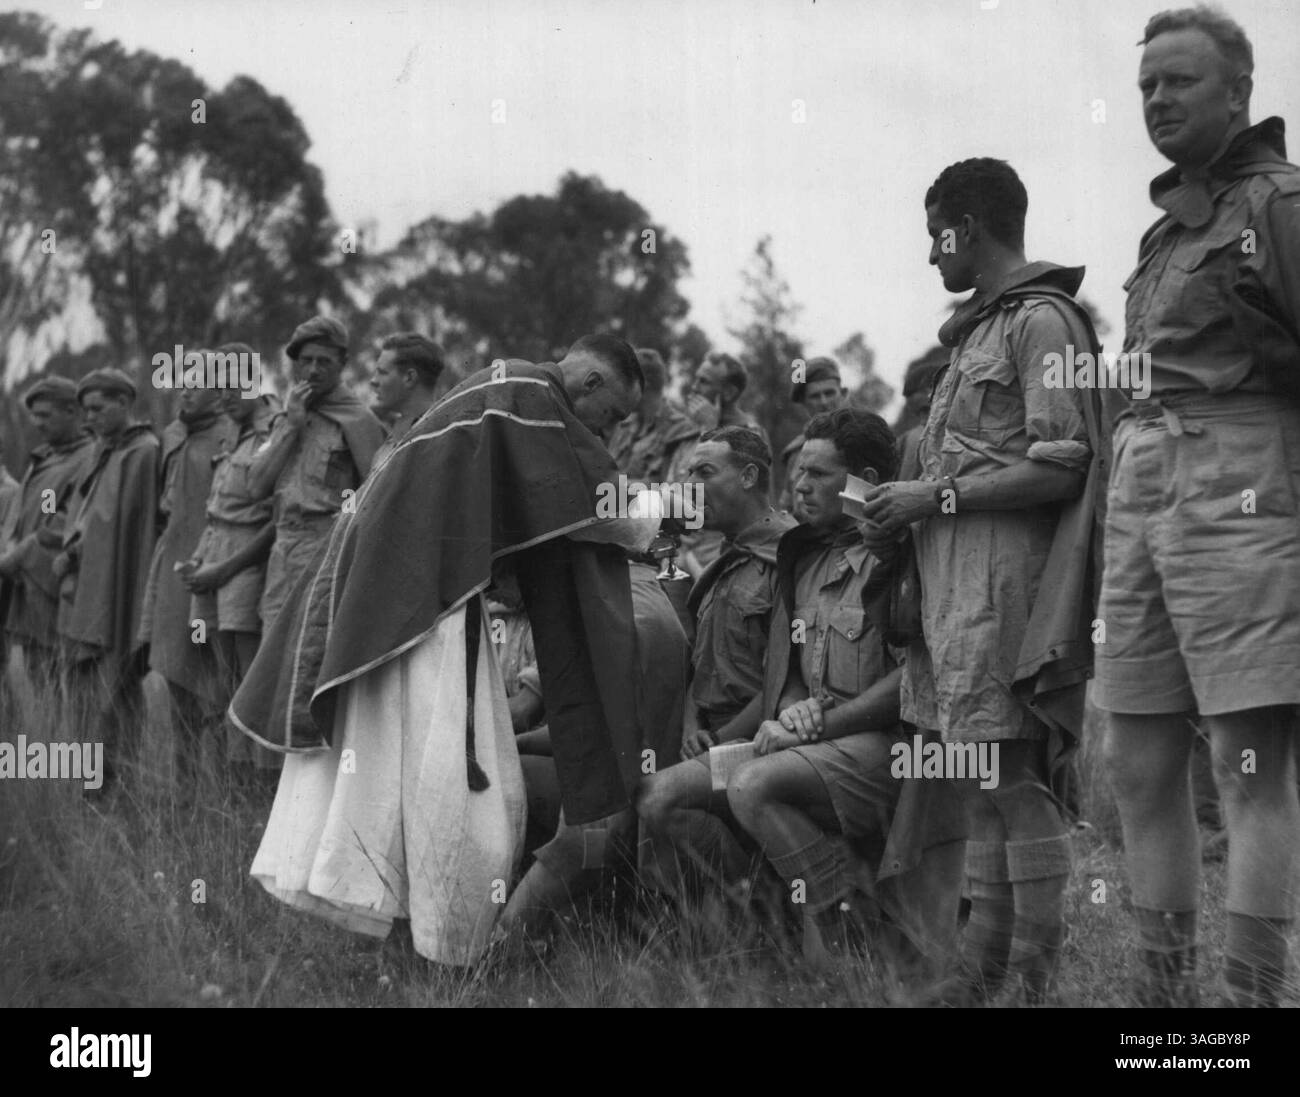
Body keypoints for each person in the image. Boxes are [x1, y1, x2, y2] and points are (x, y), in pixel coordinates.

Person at [233, 333, 652, 966]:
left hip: (406, 593)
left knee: (398, 776)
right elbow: (599, 504)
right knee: (458, 790)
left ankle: (411, 944)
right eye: (612, 415)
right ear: (589, 385)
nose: (607, 433)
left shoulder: (503, 386)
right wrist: (670, 511)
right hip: (419, 603)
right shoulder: (527, 396)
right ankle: (449, 950)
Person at [858, 158, 1107, 1004]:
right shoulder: (974, 333)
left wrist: (939, 493)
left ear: (969, 225)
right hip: (957, 591)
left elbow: (1064, 465)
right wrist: (907, 506)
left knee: (1016, 781)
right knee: (984, 780)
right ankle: (981, 973)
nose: (933, 256)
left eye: (938, 235)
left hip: (1009, 588)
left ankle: (1031, 978)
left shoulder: (1043, 322)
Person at [1097, 7, 1300, 1007]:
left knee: (1247, 760)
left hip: (1242, 477)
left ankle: (1249, 1007)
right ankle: (1159, 1007)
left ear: (1237, 93)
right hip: (1142, 480)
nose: (1157, 101)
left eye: (1177, 82)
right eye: (1144, 87)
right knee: (1136, 760)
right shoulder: (1163, 224)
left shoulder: (1283, 206)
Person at [637, 427, 794, 897]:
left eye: (705, 473)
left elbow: (782, 681)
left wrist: (718, 742)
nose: (690, 487)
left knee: (658, 798)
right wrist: (691, 726)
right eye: (687, 474)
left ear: (748, 476)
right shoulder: (728, 557)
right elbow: (700, 664)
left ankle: (760, 905)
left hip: (761, 741)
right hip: (710, 735)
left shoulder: (788, 555)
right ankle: (708, 929)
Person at [499, 554, 688, 938]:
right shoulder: (624, 590)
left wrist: (507, 934)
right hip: (632, 798)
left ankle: (501, 945)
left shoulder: (612, 617)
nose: (497, 592)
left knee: (508, 785)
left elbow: (593, 828)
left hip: (631, 817)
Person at [55, 368, 161, 786]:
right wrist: (71, 550)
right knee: (85, 694)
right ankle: (91, 780)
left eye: (98, 408)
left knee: (116, 693)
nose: (90, 417)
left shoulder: (143, 452)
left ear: (123, 403)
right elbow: (85, 518)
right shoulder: (105, 452)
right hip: (88, 591)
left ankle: (117, 783)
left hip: (119, 591)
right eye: (85, 410)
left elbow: (137, 531)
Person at [248, 316, 386, 627]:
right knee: (275, 646)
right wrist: (292, 426)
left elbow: (377, 496)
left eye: (324, 362)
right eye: (306, 361)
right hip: (282, 548)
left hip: (326, 546)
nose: (313, 370)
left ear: (342, 364)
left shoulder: (359, 420)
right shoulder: (287, 417)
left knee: (314, 645)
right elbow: (255, 487)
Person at [182, 347, 280, 781]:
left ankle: (258, 781)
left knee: (249, 679)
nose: (222, 396)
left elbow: (275, 521)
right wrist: (201, 560)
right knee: (220, 679)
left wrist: (224, 569)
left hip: (246, 569)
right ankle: (229, 781)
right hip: (215, 565)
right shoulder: (233, 436)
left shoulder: (273, 432)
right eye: (216, 386)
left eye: (231, 385)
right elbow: (218, 512)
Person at [138, 361, 237, 784]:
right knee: (173, 676)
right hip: (171, 566)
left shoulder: (230, 435)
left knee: (213, 681)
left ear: (220, 393)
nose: (185, 393)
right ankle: (185, 787)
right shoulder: (171, 436)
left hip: (212, 569)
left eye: (196, 387)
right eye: (182, 386)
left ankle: (226, 788)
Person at [0, 378, 95, 695]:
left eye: (46, 415)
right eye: (35, 417)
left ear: (72, 411)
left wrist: (25, 549)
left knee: (72, 682)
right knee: (37, 674)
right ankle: (50, 741)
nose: (38, 424)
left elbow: (72, 519)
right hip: (29, 587)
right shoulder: (45, 459)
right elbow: (36, 512)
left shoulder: (89, 457)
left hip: (60, 585)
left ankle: (75, 744)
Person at [680, 353, 767, 575]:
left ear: (728, 393)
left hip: (720, 556)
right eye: (696, 379)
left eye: (704, 381)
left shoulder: (750, 435)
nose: (695, 388)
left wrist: (708, 428)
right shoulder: (691, 428)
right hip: (685, 552)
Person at [605, 348, 700, 484]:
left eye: (625, 382)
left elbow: (669, 486)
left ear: (643, 384)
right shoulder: (624, 425)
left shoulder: (681, 430)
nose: (620, 390)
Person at [777, 356, 850, 512]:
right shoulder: (796, 452)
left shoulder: (862, 441)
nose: (823, 402)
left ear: (843, 394)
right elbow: (787, 508)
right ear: (804, 403)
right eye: (815, 396)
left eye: (829, 393)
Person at [368, 332, 447, 468]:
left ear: (409, 377)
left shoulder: (440, 440)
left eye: (382, 372)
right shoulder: (390, 442)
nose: (373, 381)